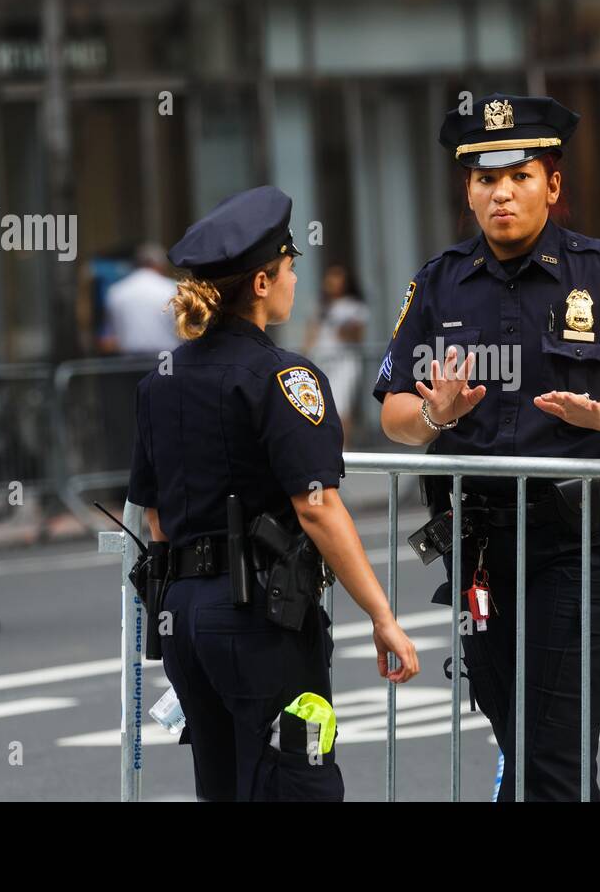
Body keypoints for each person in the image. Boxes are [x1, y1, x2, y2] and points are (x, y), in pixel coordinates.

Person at [372, 93, 600, 801]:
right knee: (536, 752)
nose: (502, 193)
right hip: (482, 553)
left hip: (580, 543)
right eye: (486, 180)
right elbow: (393, 410)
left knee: (547, 762)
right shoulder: (437, 282)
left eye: (520, 176)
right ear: (468, 190)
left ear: (552, 185)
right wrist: (434, 415)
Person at [127, 185, 419, 802]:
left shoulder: (162, 380)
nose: (294, 280)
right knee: (298, 782)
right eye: (289, 268)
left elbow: (155, 516)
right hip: (258, 617)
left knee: (225, 787)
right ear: (262, 283)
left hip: (184, 617)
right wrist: (382, 615)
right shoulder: (284, 377)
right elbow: (316, 504)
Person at [303, 263, 369, 444]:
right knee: (319, 404)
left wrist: (343, 329)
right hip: (321, 359)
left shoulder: (354, 306)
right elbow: (311, 334)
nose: (334, 282)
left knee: (341, 405)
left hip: (344, 361)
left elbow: (358, 336)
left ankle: (344, 449)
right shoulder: (320, 305)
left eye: (338, 277)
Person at [101, 241, 180, 356]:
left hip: (129, 361)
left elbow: (111, 334)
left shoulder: (116, 291)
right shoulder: (173, 288)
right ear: (160, 265)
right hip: (168, 358)